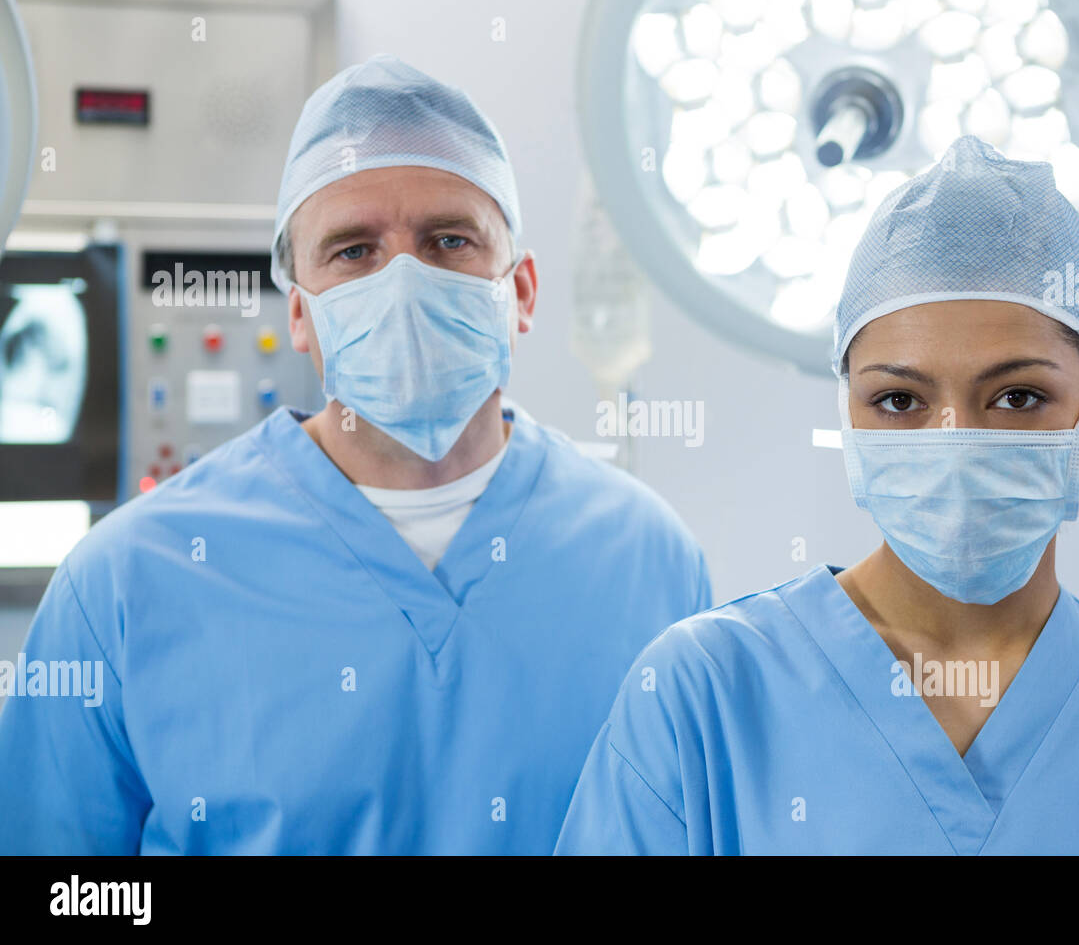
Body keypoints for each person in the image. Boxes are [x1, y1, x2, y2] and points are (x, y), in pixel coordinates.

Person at [0, 54, 711, 854]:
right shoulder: (125, 584)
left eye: (449, 241)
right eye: (353, 251)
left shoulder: (650, 561)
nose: (403, 279)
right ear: (299, 315)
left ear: (521, 290)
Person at [555, 135, 1079, 855]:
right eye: (901, 401)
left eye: (1015, 396)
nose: (955, 443)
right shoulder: (705, 700)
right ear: (846, 412)